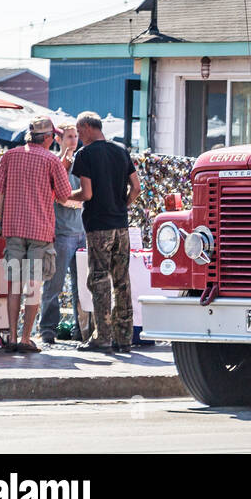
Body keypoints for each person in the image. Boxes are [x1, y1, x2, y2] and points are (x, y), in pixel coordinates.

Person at [0, 116, 73, 353]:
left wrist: (0, 222)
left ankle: (11, 336)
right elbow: (63, 195)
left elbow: (0, 192)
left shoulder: (10, 156)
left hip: (14, 229)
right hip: (40, 230)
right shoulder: (51, 160)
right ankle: (26, 339)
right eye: (54, 136)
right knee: (33, 285)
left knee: (14, 284)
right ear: (48, 138)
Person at [71, 111, 140, 354]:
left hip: (98, 225)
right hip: (121, 225)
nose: (79, 137)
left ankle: (102, 336)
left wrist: (65, 198)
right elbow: (137, 187)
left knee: (99, 279)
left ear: (89, 127)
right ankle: (124, 338)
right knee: (122, 281)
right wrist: (122, 205)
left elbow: (86, 194)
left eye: (80, 132)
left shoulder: (85, 154)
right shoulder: (121, 151)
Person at [38, 122, 87, 345]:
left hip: (82, 232)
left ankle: (81, 329)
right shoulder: (57, 164)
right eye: (69, 136)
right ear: (58, 139)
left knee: (81, 285)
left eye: (75, 136)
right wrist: (78, 201)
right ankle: (48, 329)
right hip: (62, 232)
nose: (73, 140)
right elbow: (59, 195)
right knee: (54, 284)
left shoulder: (82, 162)